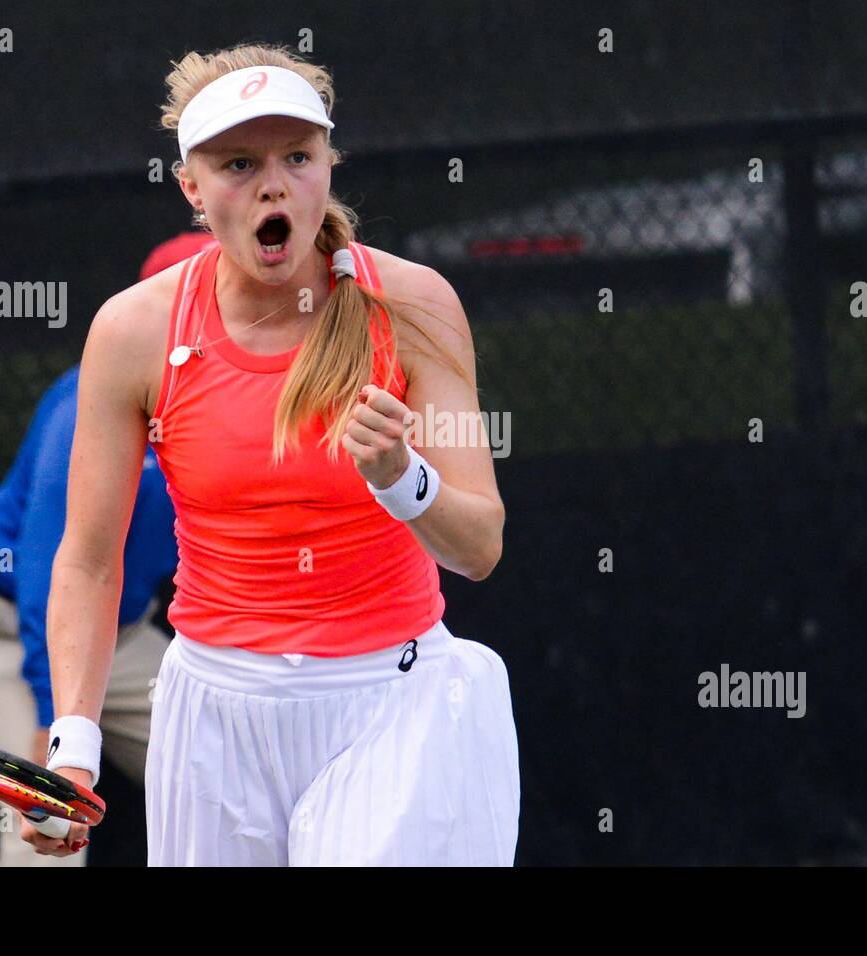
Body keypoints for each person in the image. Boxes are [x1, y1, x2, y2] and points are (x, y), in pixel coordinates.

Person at [26, 42, 519, 866]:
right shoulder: (133, 330)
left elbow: (481, 547)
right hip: (213, 720)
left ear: (329, 163)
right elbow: (87, 559)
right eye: (238, 163)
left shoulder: (418, 304)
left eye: (299, 155)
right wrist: (71, 743)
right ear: (190, 186)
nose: (273, 183)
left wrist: (405, 479)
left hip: (393, 707)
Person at [0, 232, 215, 866]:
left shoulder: (243, 397)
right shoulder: (92, 398)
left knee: (224, 779)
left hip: (122, 636)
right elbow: (48, 570)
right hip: (3, 630)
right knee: (49, 827)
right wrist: (52, 716)